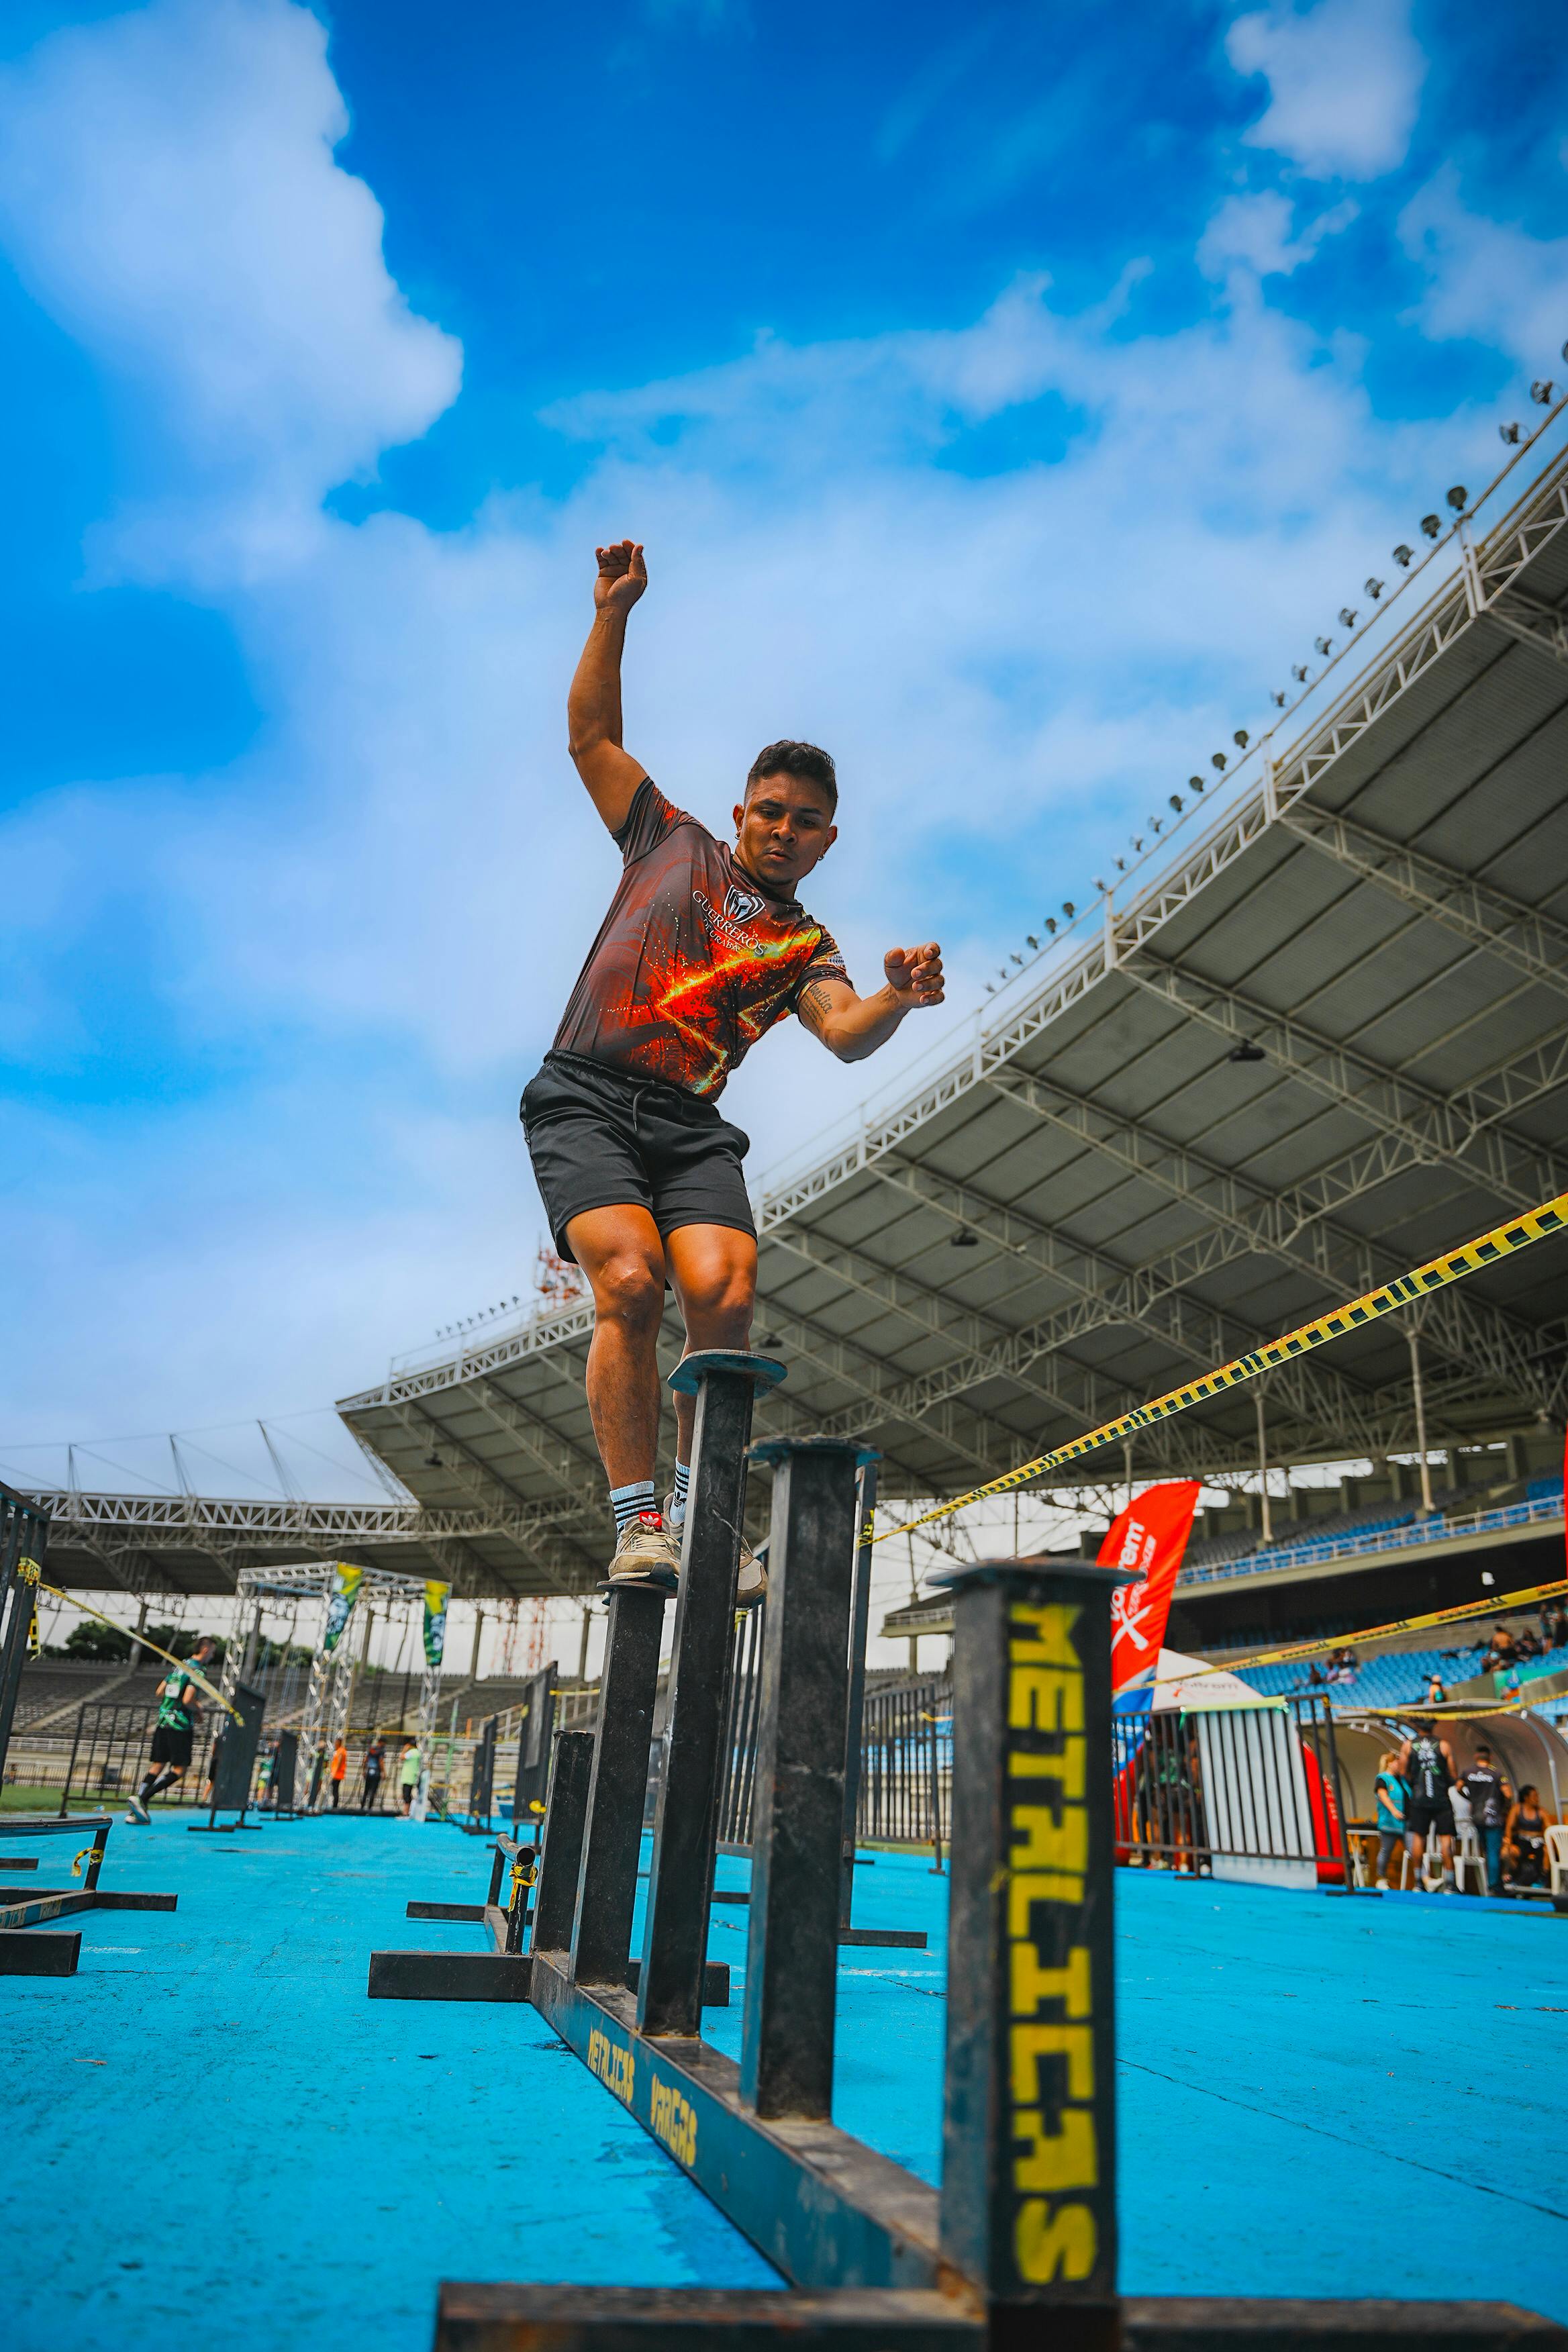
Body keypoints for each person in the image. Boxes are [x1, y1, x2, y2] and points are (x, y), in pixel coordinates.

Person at [522, 539, 945, 1591]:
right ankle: (640, 1523)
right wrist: (615, 610)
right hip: (584, 1096)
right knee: (627, 1280)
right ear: (743, 808)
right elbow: (590, 735)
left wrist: (898, 993)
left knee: (725, 1285)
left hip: (687, 1125)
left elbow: (844, 1032)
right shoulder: (669, 841)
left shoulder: (805, 947)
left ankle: (708, 1515)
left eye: (806, 822)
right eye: (770, 811)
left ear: (828, 840)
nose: (784, 830)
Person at [125, 1634, 219, 1822]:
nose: (212, 1657)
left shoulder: (180, 1666)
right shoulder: (198, 1671)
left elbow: (160, 1692)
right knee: (179, 1770)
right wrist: (199, 1709)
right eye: (213, 1653)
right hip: (179, 1724)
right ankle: (142, 1798)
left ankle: (136, 1809)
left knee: (158, 1765)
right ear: (206, 1650)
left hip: (163, 1720)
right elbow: (187, 1700)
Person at [1396, 1718, 1458, 1892]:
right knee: (1446, 1839)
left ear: (1417, 1726)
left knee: (1418, 1837)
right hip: (1441, 1798)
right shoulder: (1444, 1745)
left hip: (1419, 1798)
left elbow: (1402, 1771)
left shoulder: (1408, 1745)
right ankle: (1450, 1883)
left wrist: (1415, 1782)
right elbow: (1453, 1773)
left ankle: (1418, 1881)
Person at [1461, 1743, 1512, 1896]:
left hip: (1477, 1817)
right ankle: (1494, 1885)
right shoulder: (1496, 1774)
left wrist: (1471, 1799)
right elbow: (1508, 1795)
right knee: (1493, 1852)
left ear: (1476, 1756)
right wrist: (1504, 1809)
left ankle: (1491, 1882)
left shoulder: (1468, 1772)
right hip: (1493, 1818)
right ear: (1490, 1757)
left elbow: (1458, 1787)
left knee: (1486, 1850)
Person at [1373, 1750, 1408, 1890]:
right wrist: (1394, 1811)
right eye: (1397, 1762)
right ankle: (1381, 1878)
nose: (1399, 1765)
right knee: (1386, 1850)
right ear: (1390, 1763)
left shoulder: (1403, 1780)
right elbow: (1383, 1796)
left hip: (1406, 1823)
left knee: (1414, 1850)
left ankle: (1423, 1878)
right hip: (1389, 1823)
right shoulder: (1382, 1778)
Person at [1505, 1785, 1549, 1891]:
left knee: (1547, 1851)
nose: (1537, 1798)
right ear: (1526, 1798)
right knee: (1507, 1852)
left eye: (1537, 1796)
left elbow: (1549, 1829)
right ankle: (1515, 1876)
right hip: (1521, 1842)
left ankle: (1542, 1878)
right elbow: (1509, 1828)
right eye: (1534, 1796)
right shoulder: (1517, 1809)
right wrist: (1508, 1842)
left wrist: (1548, 1843)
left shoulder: (1541, 1812)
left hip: (1537, 1842)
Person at [362, 1734, 386, 1813]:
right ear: (381, 1742)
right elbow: (381, 1762)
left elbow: (365, 1760)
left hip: (369, 1771)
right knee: (373, 1791)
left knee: (366, 1790)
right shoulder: (381, 1750)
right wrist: (383, 1772)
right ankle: (369, 1808)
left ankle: (362, 1808)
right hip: (376, 1772)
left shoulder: (371, 1749)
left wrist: (364, 1770)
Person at [399, 1739, 421, 1814]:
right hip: (411, 1777)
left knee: (406, 1795)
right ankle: (406, 1812)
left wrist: (404, 1749)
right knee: (407, 1795)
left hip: (408, 1777)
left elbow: (402, 1757)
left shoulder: (412, 1752)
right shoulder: (417, 1752)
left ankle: (406, 1813)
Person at [328, 1736, 349, 1809]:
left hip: (337, 1774)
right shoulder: (338, 1751)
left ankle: (335, 1806)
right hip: (336, 1773)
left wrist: (334, 1773)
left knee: (335, 1790)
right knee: (334, 1789)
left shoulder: (341, 1751)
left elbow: (339, 1763)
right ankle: (334, 1805)